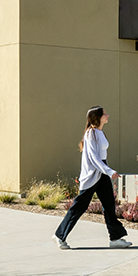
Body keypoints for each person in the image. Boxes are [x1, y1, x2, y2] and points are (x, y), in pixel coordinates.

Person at [55, 106, 130, 248]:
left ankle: (115, 239)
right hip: (92, 174)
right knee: (80, 206)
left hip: (101, 171)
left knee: (109, 204)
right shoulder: (91, 134)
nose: (107, 115)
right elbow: (94, 158)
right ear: (97, 117)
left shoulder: (100, 132)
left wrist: (106, 171)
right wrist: (109, 171)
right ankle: (59, 236)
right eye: (104, 114)